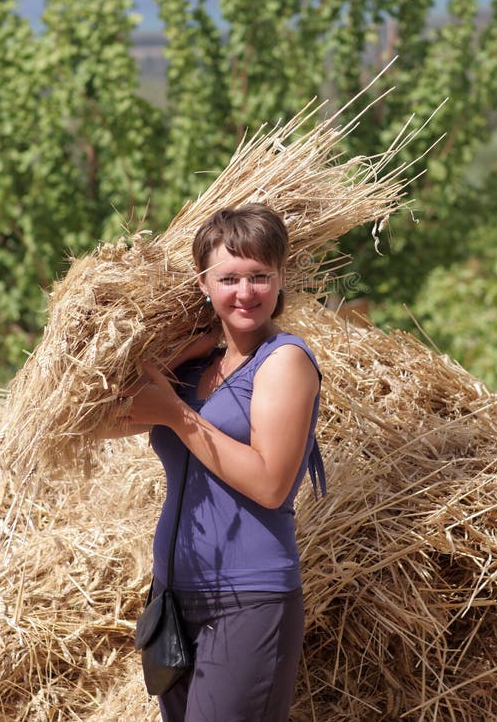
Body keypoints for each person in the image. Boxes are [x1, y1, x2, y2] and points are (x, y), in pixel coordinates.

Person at [110, 203, 325, 722]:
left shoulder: (284, 362)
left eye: (259, 277)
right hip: (174, 597)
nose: (245, 292)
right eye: (229, 278)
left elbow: (272, 484)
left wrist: (178, 415)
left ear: (280, 280)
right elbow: (96, 422)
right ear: (203, 283)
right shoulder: (196, 364)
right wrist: (169, 357)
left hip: (248, 599)